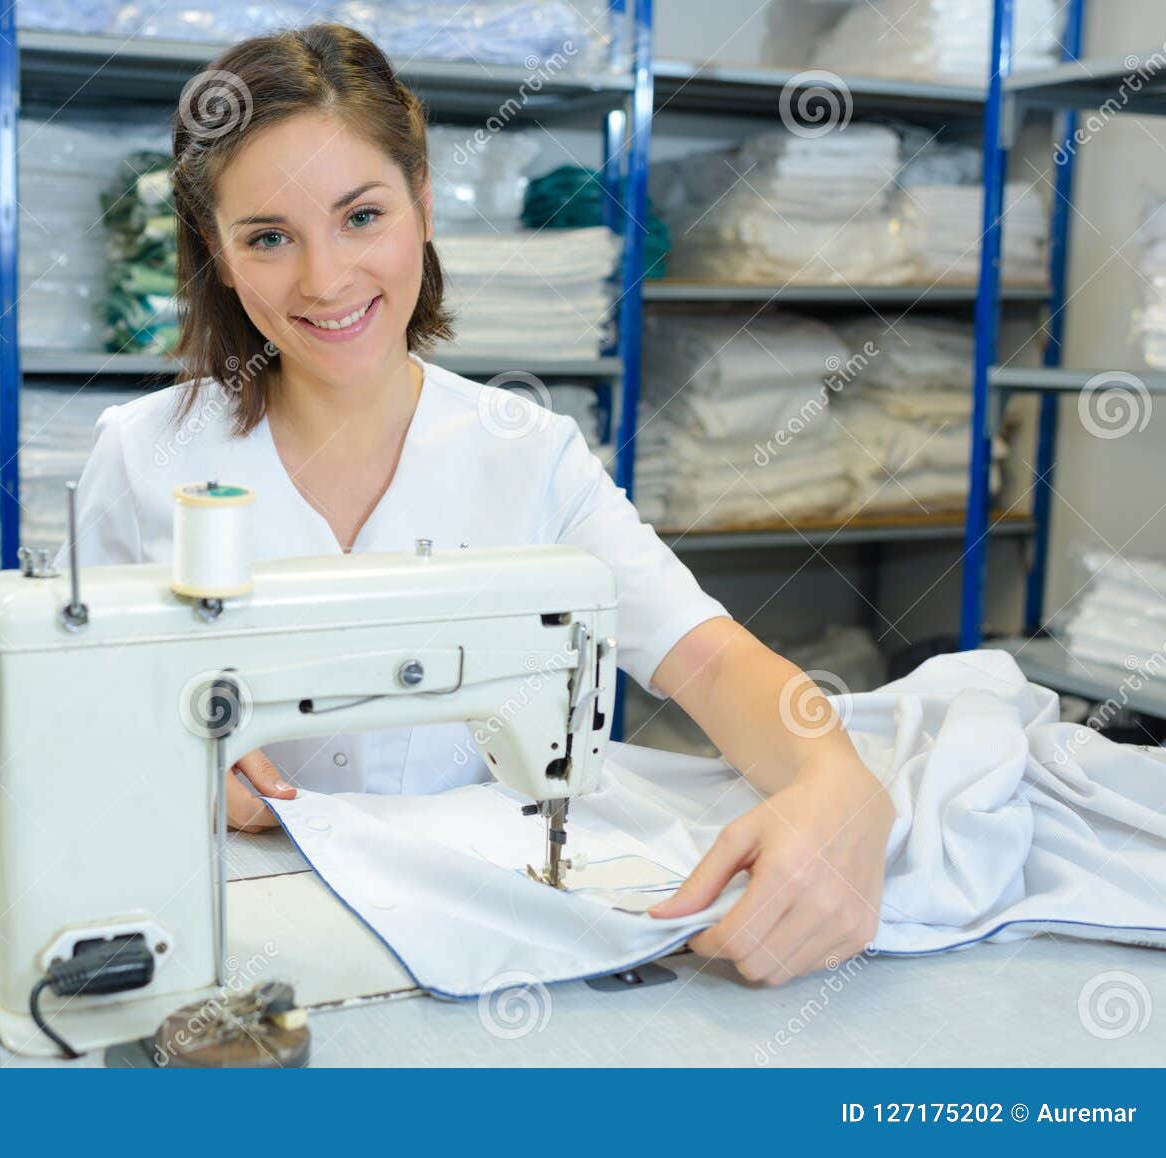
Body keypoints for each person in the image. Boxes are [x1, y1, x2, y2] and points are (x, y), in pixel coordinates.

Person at [60, 23, 894, 986]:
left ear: (421, 203)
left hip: (460, 925)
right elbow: (75, 721)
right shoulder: (144, 457)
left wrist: (835, 782)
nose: (326, 279)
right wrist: (170, 764)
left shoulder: (527, 455)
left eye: (361, 216)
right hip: (227, 940)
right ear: (218, 252)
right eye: (270, 238)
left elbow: (707, 660)